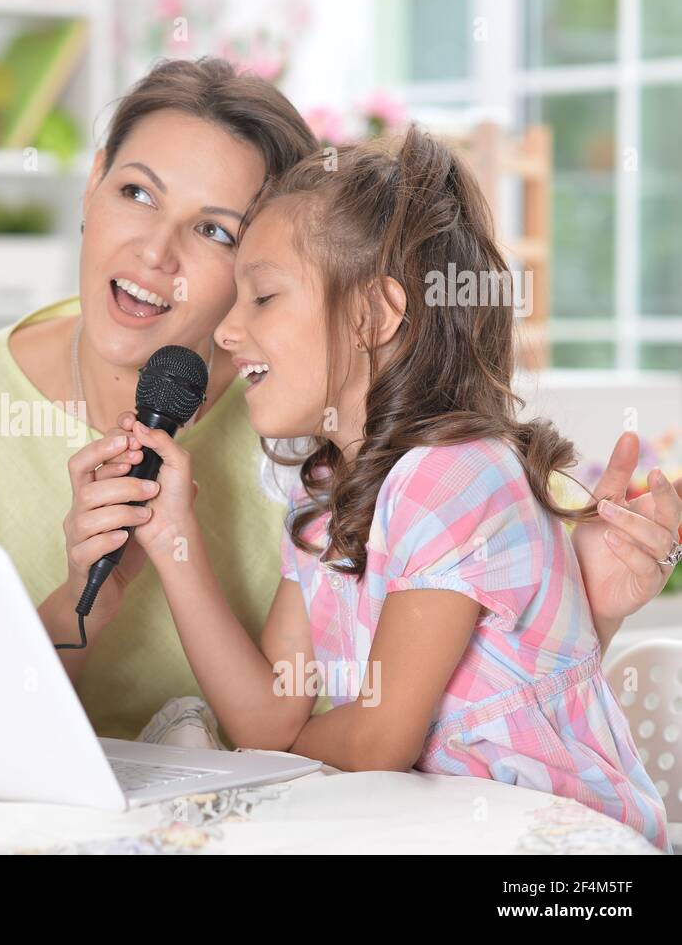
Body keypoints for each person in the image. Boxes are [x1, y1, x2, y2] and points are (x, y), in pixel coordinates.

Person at [0, 57, 681, 745]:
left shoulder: (317, 440)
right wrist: (96, 586)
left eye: (215, 233)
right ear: (91, 186)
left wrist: (588, 604)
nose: (154, 250)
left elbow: (466, 699)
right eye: (136, 192)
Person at [114, 128, 674, 850]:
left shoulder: (455, 472)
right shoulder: (323, 492)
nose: (226, 329)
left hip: (564, 848)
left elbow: (377, 738)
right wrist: (174, 538)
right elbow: (269, 719)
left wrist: (260, 775)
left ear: (374, 315)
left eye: (263, 297)